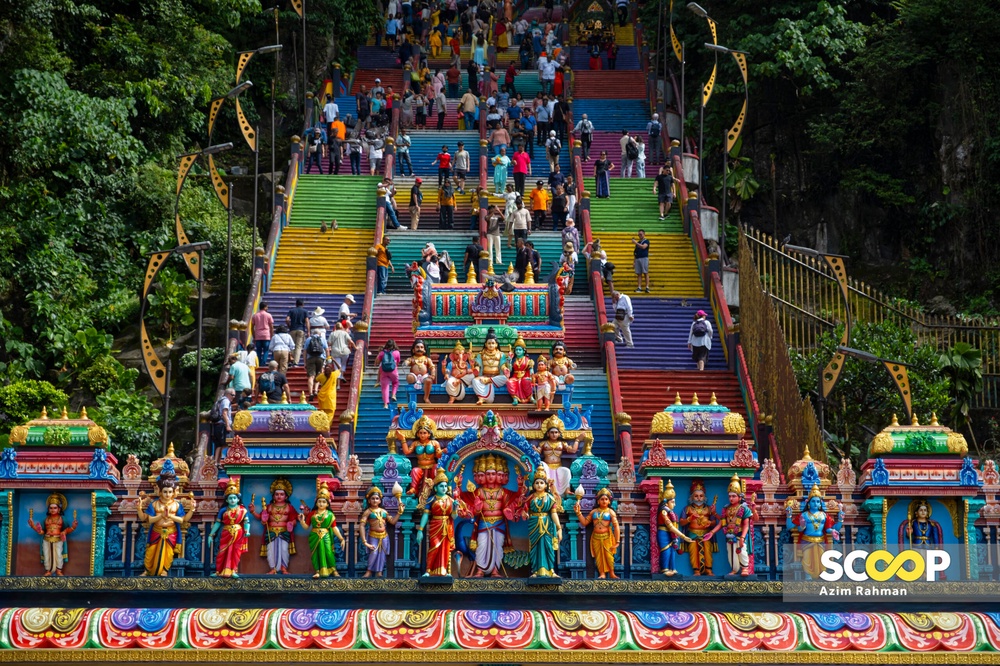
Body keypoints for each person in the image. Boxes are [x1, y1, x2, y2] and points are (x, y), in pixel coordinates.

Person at [375, 339, 401, 408]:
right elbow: (398, 361)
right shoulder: (397, 352)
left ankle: (386, 404)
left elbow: (377, 361)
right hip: (393, 371)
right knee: (395, 382)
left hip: (384, 371)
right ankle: (393, 395)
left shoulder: (382, 353)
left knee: (385, 387)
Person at [209, 388, 236, 452]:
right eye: (232, 395)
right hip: (222, 425)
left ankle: (217, 461)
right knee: (224, 444)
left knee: (219, 445)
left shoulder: (220, 400)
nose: (234, 397)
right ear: (228, 394)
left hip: (219, 424)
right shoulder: (226, 401)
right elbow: (224, 413)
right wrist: (227, 425)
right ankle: (220, 460)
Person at [304, 328, 328, 398]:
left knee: (311, 376)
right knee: (318, 374)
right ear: (319, 334)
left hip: (310, 358)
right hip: (320, 358)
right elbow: (327, 350)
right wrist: (327, 360)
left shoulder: (308, 339)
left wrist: (305, 362)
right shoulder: (322, 339)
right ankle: (316, 391)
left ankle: (311, 392)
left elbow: (305, 351)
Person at [286, 299, 310, 366]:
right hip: (301, 330)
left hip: (292, 330)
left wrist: (289, 326)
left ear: (296, 304)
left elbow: (287, 319)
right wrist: (308, 331)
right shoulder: (305, 311)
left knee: (292, 346)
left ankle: (291, 360)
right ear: (303, 304)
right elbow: (307, 321)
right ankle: (295, 362)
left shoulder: (291, 311)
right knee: (298, 347)